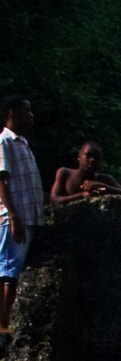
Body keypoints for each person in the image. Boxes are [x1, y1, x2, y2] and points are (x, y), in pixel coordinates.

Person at [0, 95, 45, 340]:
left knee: (14, 272)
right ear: (12, 113)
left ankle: (7, 322)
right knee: (7, 271)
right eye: (26, 111)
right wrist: (13, 215)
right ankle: (2, 326)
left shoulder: (22, 142)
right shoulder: (4, 141)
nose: (31, 115)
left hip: (28, 216)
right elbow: (2, 180)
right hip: (13, 218)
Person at [52, 141, 121, 206]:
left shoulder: (104, 179)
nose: (92, 160)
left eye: (97, 158)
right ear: (79, 157)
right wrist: (82, 195)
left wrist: (104, 187)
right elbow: (54, 199)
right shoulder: (65, 174)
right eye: (88, 156)